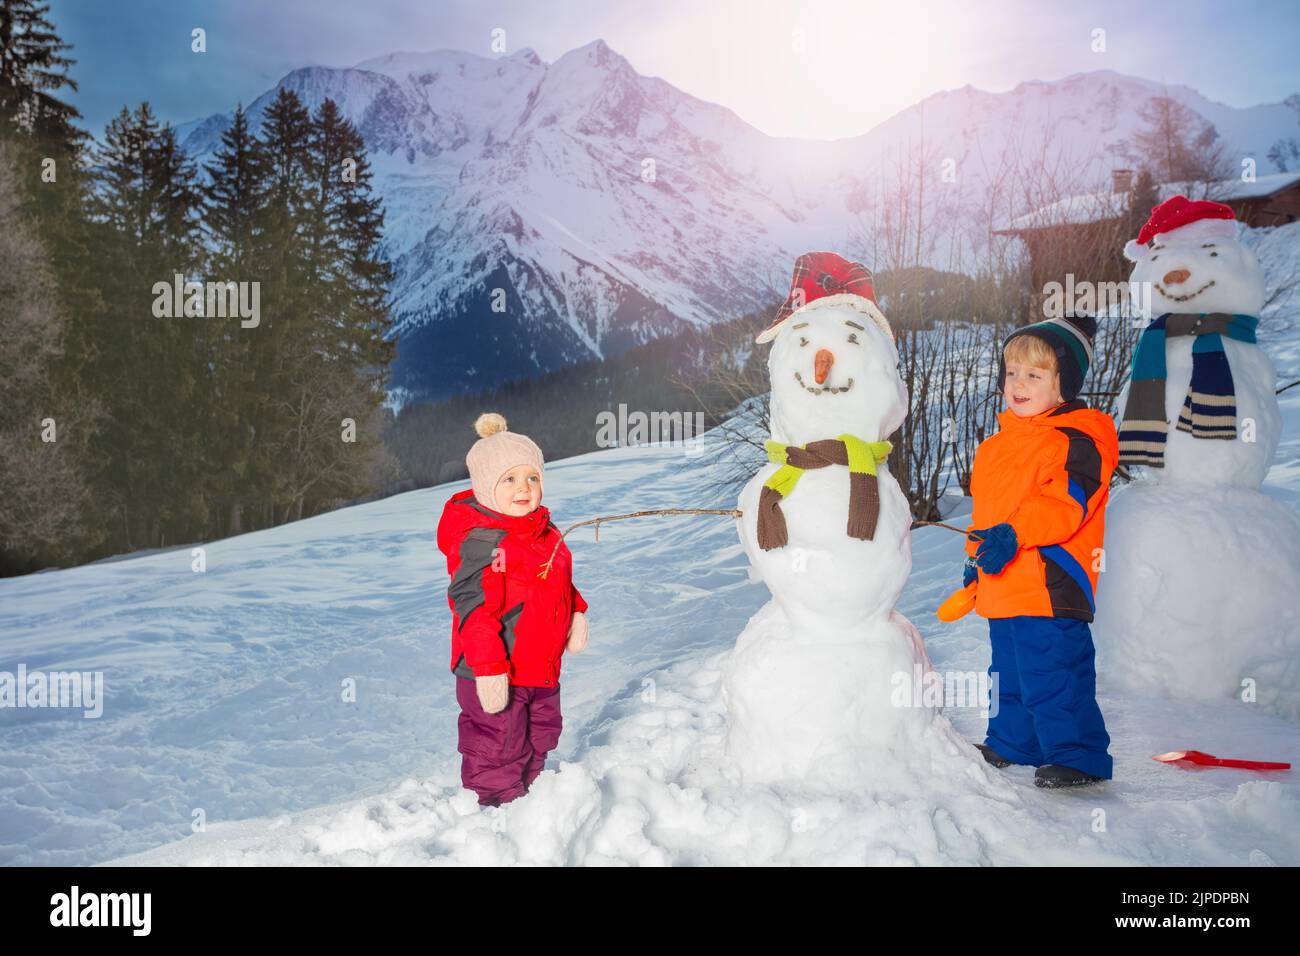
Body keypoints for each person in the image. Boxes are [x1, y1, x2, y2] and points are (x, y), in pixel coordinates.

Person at [964, 314, 1117, 788]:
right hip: (1003, 580)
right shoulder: (995, 448)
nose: (1019, 384)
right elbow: (987, 514)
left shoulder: (1079, 437)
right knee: (1007, 669)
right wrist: (975, 559)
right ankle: (1013, 743)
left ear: (1063, 385)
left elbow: (1064, 504)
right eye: (1012, 373)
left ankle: (1079, 756)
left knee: (1053, 670)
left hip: (1051, 579)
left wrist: (1014, 534)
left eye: (1035, 375)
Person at [436, 412, 589, 806]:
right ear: (486, 486)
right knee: (497, 747)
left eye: (532, 478)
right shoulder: (482, 542)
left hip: (540, 670)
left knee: (541, 736)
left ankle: (531, 805)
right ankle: (497, 813)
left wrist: (577, 611)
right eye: (509, 479)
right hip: (496, 672)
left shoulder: (543, 531)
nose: (524, 489)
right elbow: (474, 610)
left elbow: (555, 581)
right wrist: (488, 670)